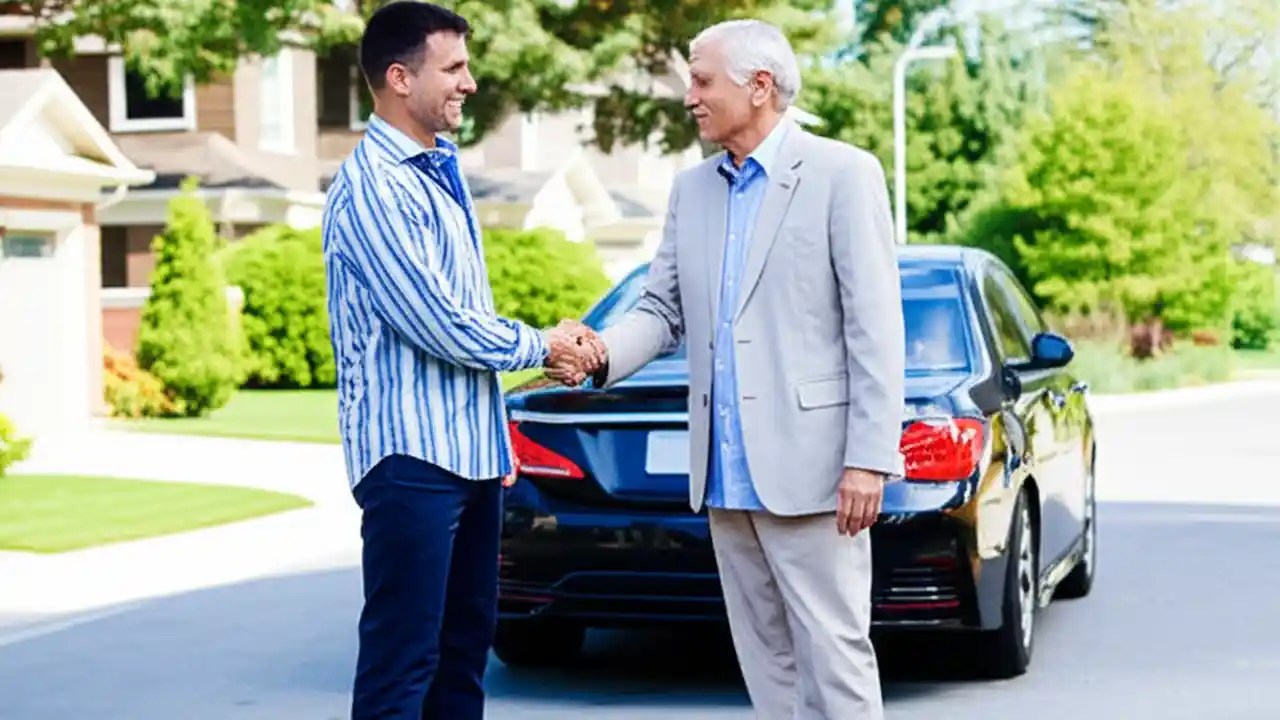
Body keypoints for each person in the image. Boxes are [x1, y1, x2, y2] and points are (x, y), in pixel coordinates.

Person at [553, 18, 906, 719]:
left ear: (761, 86)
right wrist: (598, 355)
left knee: (833, 654)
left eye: (703, 80)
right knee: (764, 660)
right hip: (724, 472)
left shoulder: (843, 173)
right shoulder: (693, 191)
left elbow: (875, 326)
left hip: (814, 471)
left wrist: (868, 459)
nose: (690, 95)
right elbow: (661, 310)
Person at [320, 3, 601, 718]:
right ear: (397, 77)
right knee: (402, 664)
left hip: (469, 458)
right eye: (453, 67)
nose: (469, 83)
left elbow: (462, 316)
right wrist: (544, 344)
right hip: (410, 462)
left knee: (462, 655)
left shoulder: (437, 169)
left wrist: (490, 431)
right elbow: (437, 322)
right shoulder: (372, 187)